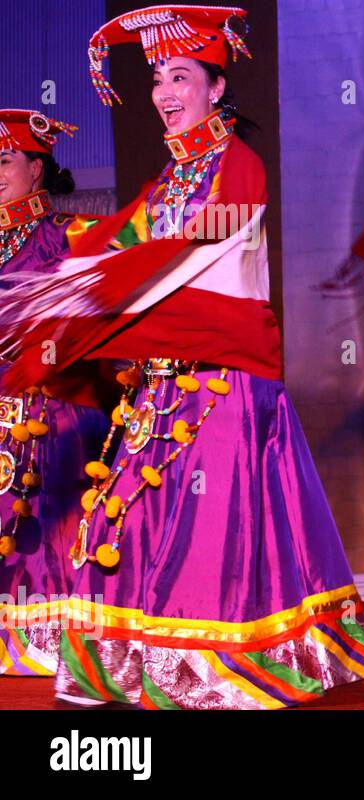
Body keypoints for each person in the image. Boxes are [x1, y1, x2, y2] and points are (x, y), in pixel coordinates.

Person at [0, 5, 364, 708]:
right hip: (160, 385)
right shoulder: (169, 181)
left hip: (221, 384)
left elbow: (194, 251)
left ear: (215, 85)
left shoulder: (239, 167)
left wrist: (101, 286)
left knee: (207, 542)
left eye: (179, 76)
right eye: (155, 79)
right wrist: (44, 289)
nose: (164, 93)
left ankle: (210, 669)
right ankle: (110, 664)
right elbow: (109, 243)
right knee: (117, 522)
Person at [0, 109, 109, 676]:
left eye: (5, 159)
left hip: (49, 409)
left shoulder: (65, 234)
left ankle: (49, 633)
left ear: (36, 169)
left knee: (42, 521)